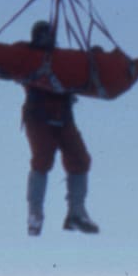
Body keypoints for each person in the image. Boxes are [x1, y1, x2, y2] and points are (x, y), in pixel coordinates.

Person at [23, 20, 100, 236]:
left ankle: (76, 212)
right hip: (39, 116)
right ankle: (35, 212)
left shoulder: (61, 60)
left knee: (80, 159)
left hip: (62, 115)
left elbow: (77, 68)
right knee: (42, 160)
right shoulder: (28, 58)